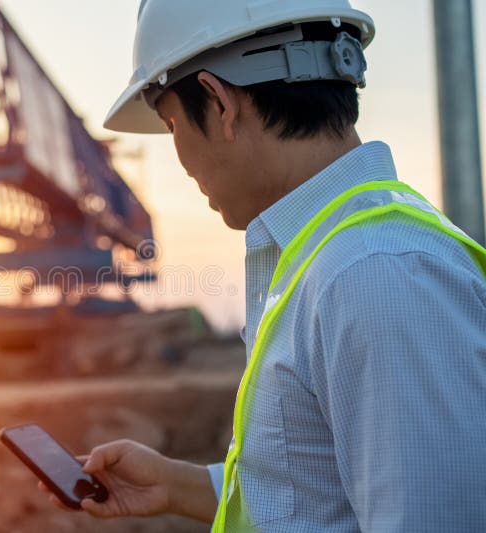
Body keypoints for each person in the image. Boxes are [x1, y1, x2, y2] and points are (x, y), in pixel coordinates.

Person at [40, 1, 486, 531]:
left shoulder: (375, 275)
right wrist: (174, 484)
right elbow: (320, 495)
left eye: (171, 124)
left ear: (218, 101)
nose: (179, 160)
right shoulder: (335, 258)